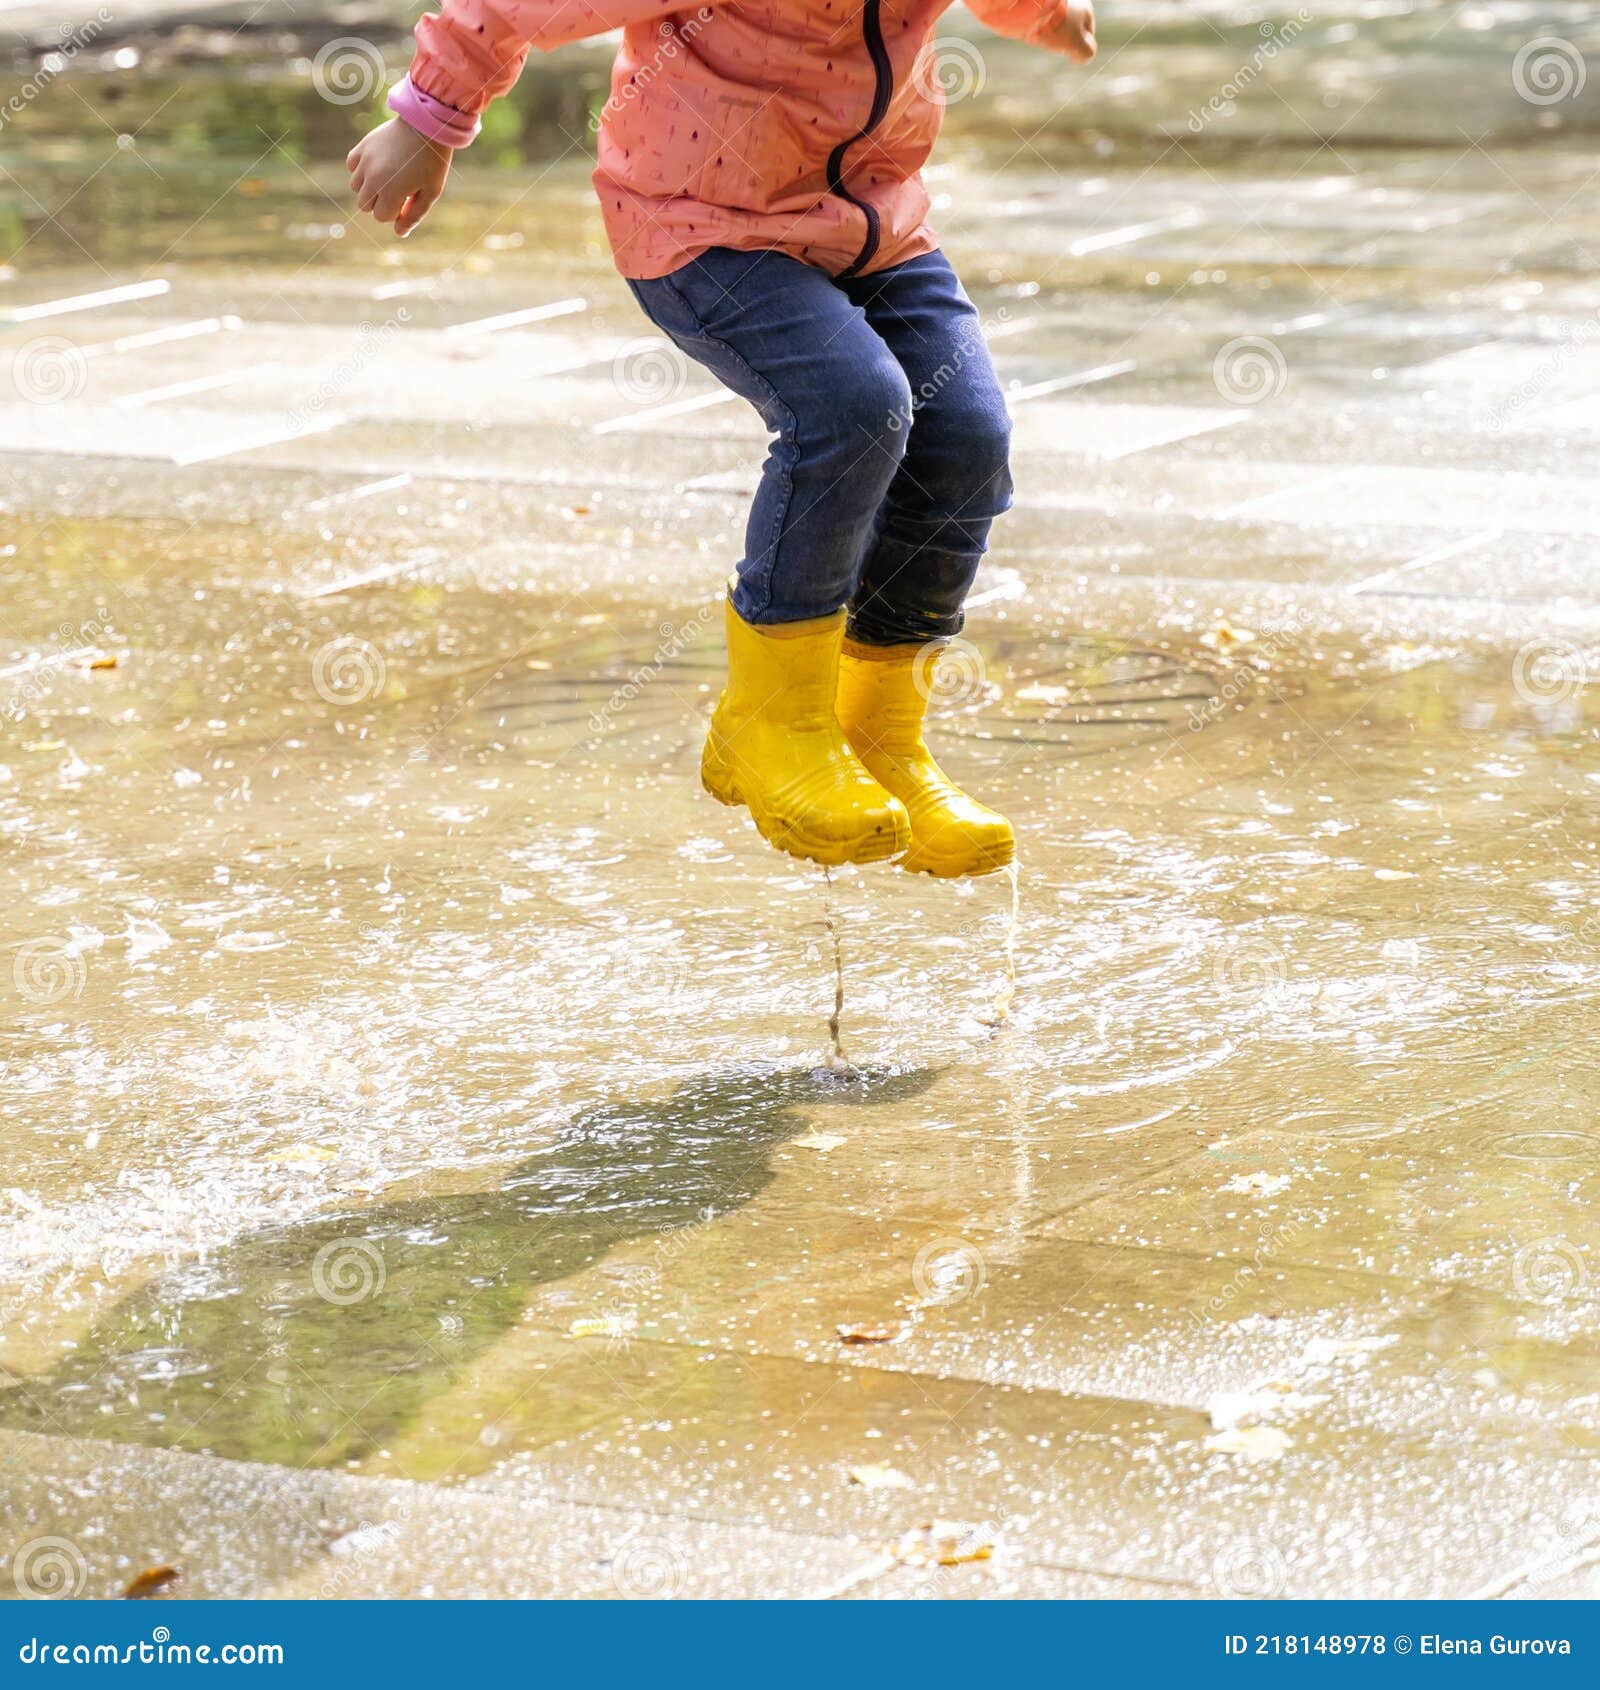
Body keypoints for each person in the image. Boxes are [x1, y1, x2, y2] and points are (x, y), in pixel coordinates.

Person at [348, 0, 1097, 875]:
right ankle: (771, 720)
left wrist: (1048, 10)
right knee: (852, 407)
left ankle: (878, 735)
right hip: (701, 224)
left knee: (966, 436)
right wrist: (430, 120)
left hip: (872, 227)